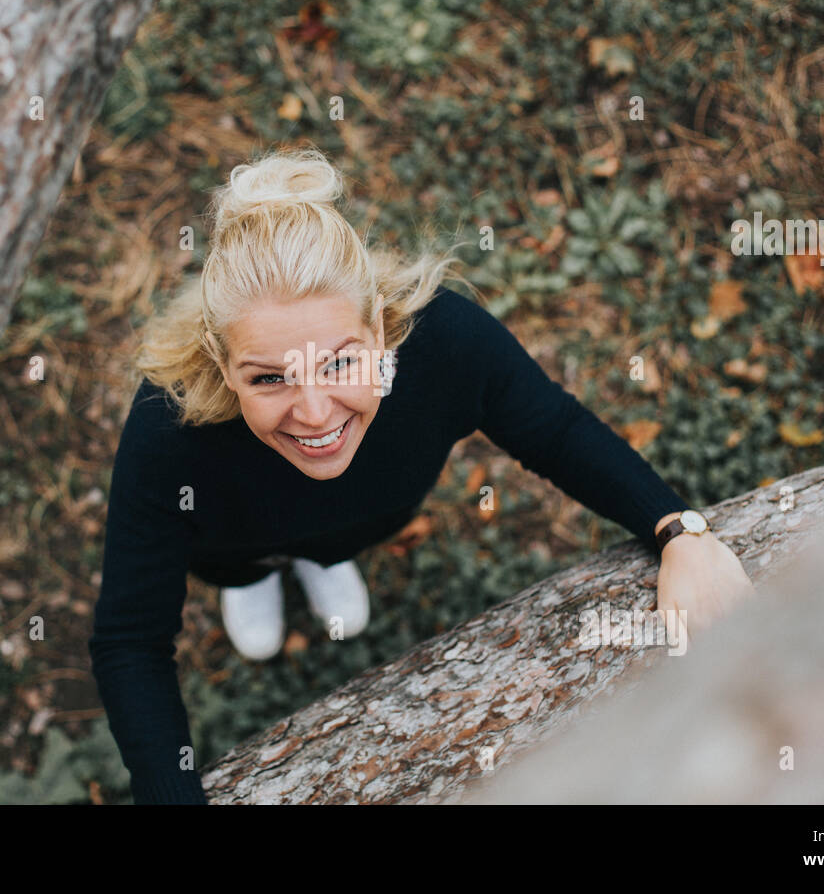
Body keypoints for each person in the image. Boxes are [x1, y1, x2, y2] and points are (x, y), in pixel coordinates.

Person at [88, 145, 755, 804]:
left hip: (368, 520)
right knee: (246, 567)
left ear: (379, 327)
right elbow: (131, 638)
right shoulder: (168, 426)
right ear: (220, 362)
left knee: (333, 542)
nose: (316, 413)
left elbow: (555, 431)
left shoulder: (446, 345)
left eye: (342, 364)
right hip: (234, 548)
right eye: (268, 378)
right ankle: (264, 576)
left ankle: (322, 561)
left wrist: (677, 529)